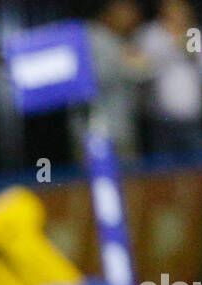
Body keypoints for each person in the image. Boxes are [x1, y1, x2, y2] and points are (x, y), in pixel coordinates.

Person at [138, 0, 202, 158]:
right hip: (160, 120)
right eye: (172, 10)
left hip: (194, 119)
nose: (177, 15)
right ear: (162, 11)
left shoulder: (195, 35)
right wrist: (172, 49)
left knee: (200, 171)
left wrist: (196, 56)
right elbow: (140, 73)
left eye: (181, 11)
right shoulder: (151, 35)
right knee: (164, 174)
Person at [72, 0, 149, 163]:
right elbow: (87, 80)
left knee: (130, 184)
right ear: (111, 13)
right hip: (96, 135)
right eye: (127, 12)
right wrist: (123, 65)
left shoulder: (120, 40)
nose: (133, 18)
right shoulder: (90, 37)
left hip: (122, 130)